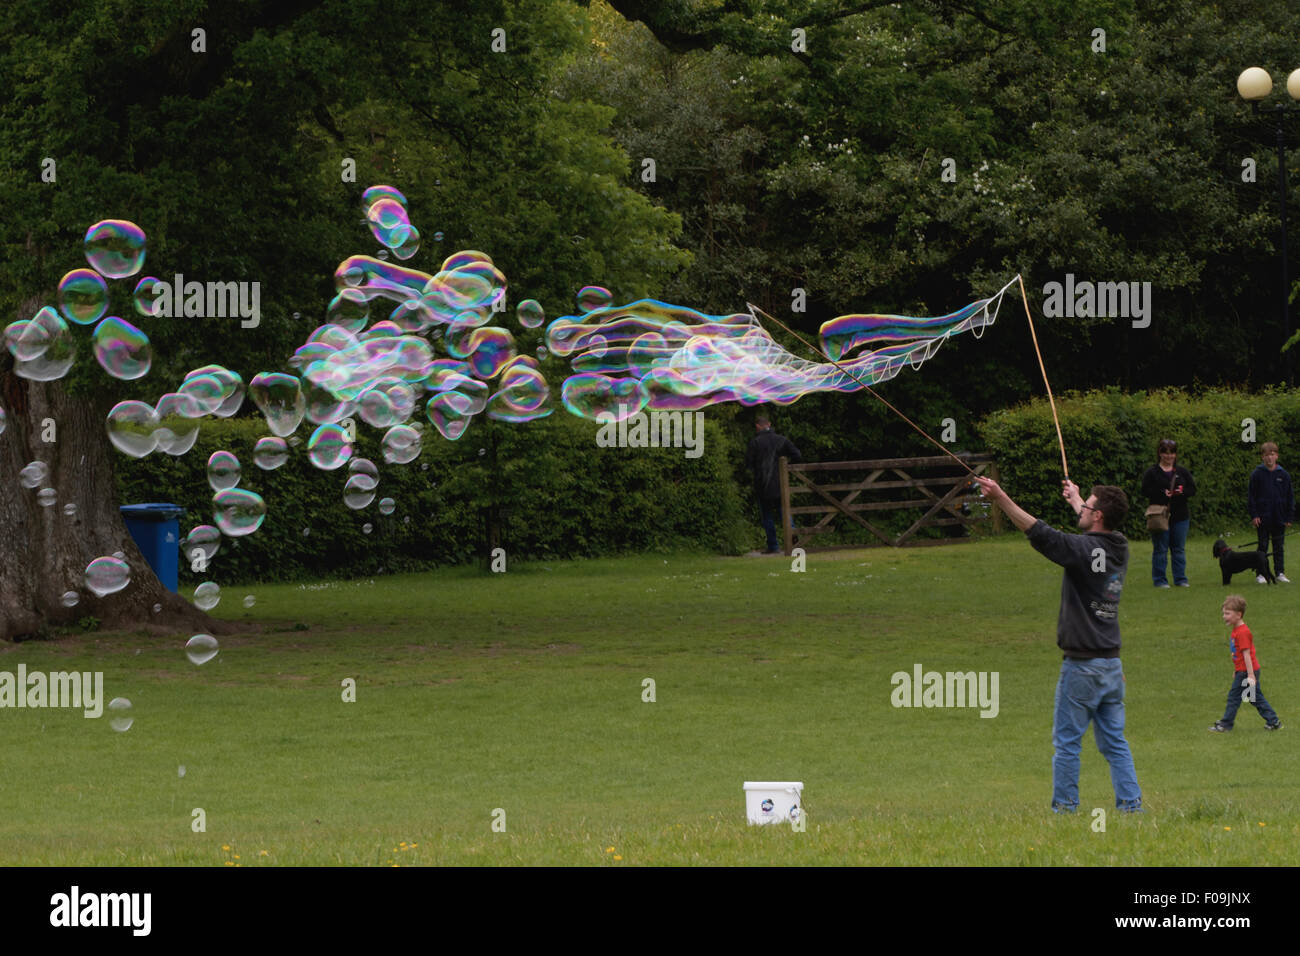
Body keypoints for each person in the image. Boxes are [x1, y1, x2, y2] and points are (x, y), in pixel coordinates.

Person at [975, 474, 1142, 813]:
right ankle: (1131, 806)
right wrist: (1077, 498)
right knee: (1115, 744)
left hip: (1081, 666)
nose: (1084, 510)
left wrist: (1001, 498)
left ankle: (1065, 809)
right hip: (1112, 665)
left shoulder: (1080, 550)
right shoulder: (1119, 546)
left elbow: (1041, 534)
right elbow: (1092, 525)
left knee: (1067, 743)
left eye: (1089, 508)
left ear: (1097, 516)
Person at [1208, 595, 1281, 732]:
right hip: (1243, 671)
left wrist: (1250, 675)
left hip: (1247, 672)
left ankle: (1226, 724)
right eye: (1224, 613)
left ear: (1239, 614)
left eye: (1227, 613)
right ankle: (1273, 721)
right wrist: (1237, 670)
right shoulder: (1237, 630)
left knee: (1234, 697)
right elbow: (1239, 656)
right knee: (1253, 697)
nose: (1224, 616)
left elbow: (1247, 655)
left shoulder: (1242, 632)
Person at [1140, 438, 1196, 588]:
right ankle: (1160, 580)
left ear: (1176, 454)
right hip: (1159, 515)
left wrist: (1181, 492)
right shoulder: (1152, 472)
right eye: (1165, 452)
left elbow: (1193, 489)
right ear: (1160, 453)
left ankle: (1181, 579)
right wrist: (1161, 493)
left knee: (1178, 549)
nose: (1168, 456)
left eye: (1172, 453)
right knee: (1160, 549)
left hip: (1180, 516)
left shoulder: (1182, 472)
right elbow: (1144, 490)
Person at [744, 414, 801, 553]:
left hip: (763, 485)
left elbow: (748, 465)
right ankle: (793, 539)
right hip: (781, 484)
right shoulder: (781, 440)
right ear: (769, 424)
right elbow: (797, 455)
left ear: (757, 426)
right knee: (785, 513)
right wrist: (785, 465)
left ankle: (773, 546)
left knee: (767, 516)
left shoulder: (755, 443)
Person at [1248, 441, 1294, 583]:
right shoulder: (1257, 474)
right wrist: (1254, 515)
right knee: (1262, 546)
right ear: (1262, 457)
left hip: (1279, 516)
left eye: (1272, 455)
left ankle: (1280, 572)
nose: (1269, 458)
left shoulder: (1284, 475)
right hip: (1262, 517)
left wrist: (1289, 516)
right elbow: (1251, 497)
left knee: (1278, 546)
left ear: (1277, 456)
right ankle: (1260, 574)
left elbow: (1290, 497)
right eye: (1266, 455)